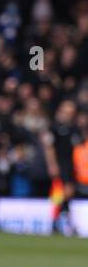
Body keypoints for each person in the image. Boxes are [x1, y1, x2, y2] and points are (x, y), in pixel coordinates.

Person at [43, 100, 80, 237]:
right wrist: (52, 164)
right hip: (60, 164)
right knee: (59, 193)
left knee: (67, 193)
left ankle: (61, 222)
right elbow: (49, 147)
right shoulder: (54, 127)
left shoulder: (74, 129)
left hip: (70, 165)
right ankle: (59, 222)